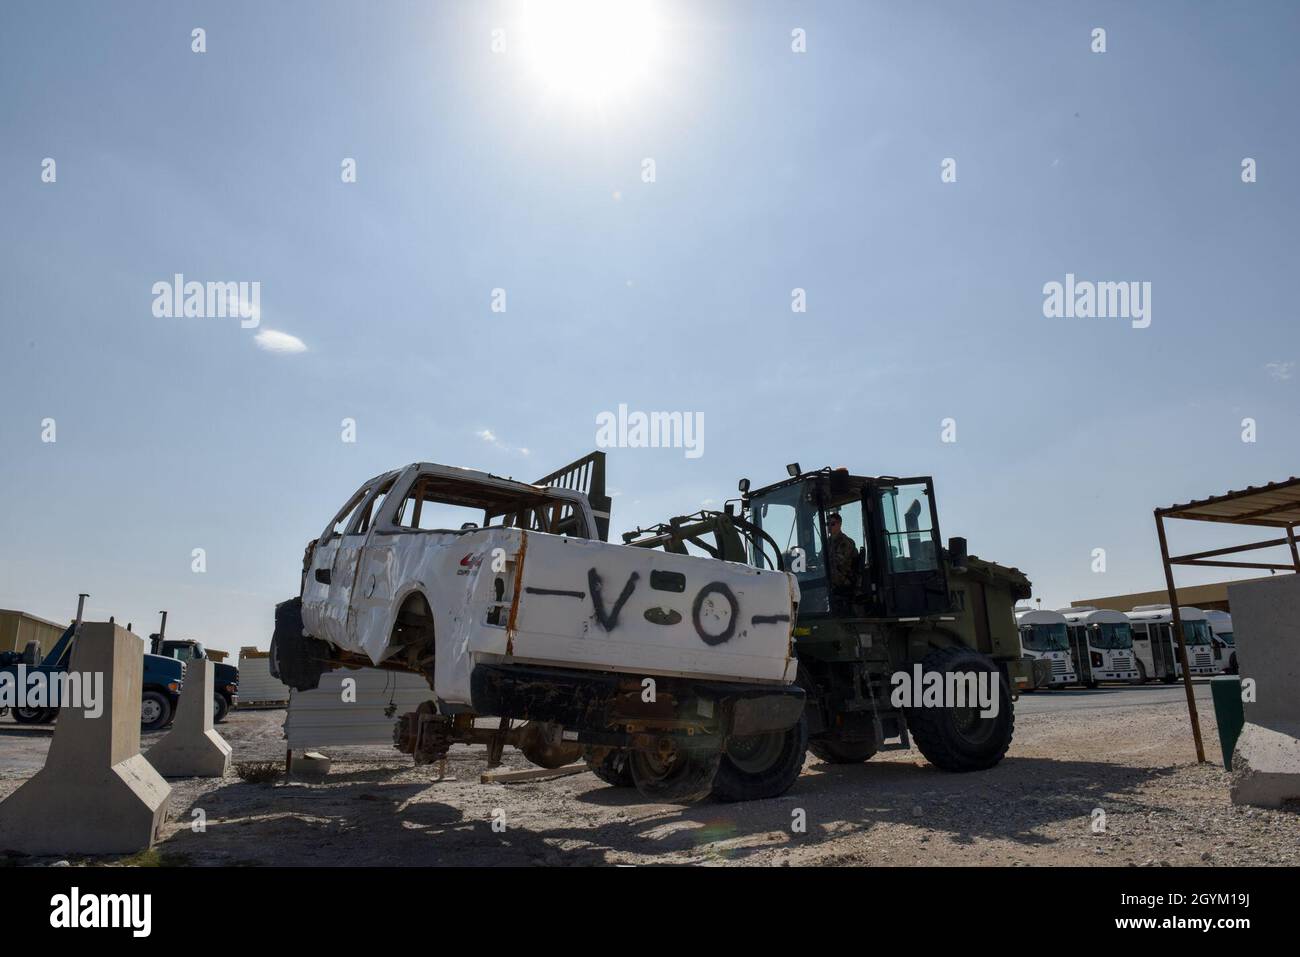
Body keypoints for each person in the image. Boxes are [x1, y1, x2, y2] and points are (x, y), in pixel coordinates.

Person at [826, 512, 858, 599]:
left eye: (832, 524)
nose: (829, 526)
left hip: (843, 579)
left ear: (839, 524)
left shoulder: (845, 542)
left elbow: (838, 563)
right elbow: (821, 559)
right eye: (827, 524)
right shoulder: (828, 542)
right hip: (835, 576)